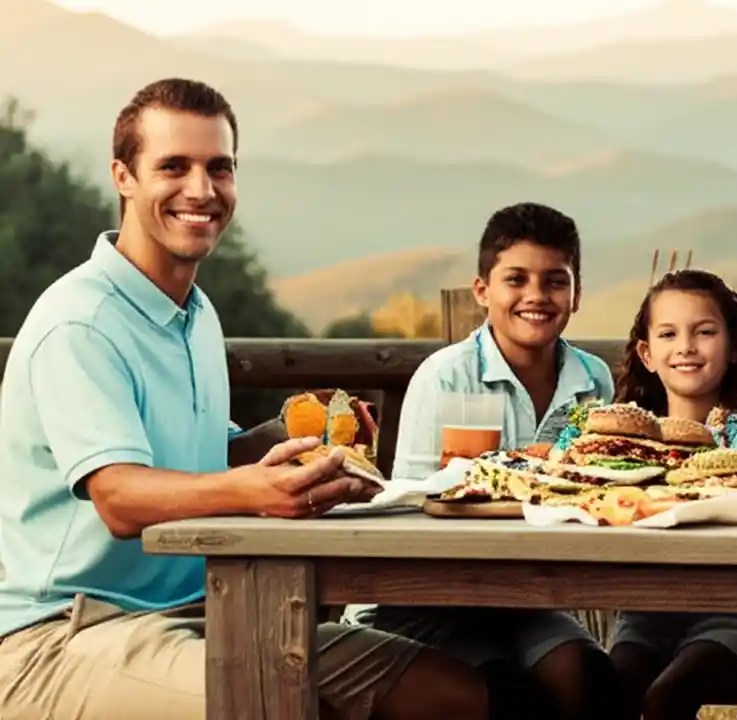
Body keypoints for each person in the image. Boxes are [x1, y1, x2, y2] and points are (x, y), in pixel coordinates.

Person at [0, 78, 487, 720]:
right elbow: (119, 495)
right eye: (173, 166)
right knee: (270, 701)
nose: (201, 190)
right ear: (123, 176)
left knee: (450, 696)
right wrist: (258, 492)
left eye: (219, 168)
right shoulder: (80, 323)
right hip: (63, 636)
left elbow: (200, 457)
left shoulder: (194, 311)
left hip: (205, 610)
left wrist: (276, 439)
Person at [365, 201, 618, 720]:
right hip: (431, 599)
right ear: (483, 290)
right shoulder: (445, 377)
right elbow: (408, 506)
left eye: (555, 281)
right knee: (510, 695)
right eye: (516, 279)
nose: (536, 296)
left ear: (576, 294)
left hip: (526, 599)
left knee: (593, 680)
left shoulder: (594, 382)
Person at [606, 269, 737, 720]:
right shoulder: (629, 438)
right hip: (648, 608)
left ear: (733, 345)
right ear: (647, 353)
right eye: (668, 333)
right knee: (608, 687)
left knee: (668, 697)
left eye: (705, 332)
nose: (686, 346)